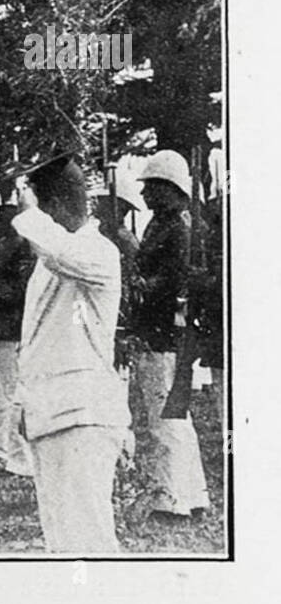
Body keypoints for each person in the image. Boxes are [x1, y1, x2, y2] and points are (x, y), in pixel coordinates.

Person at [12, 154, 128, 553]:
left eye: (43, 210)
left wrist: (29, 214)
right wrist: (21, 405)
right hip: (51, 413)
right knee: (62, 538)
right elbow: (38, 342)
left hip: (84, 416)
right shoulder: (51, 260)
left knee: (89, 539)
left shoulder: (98, 252)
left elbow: (59, 251)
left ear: (55, 207)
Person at [129, 150, 210, 520]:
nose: (144, 195)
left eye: (151, 188)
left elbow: (173, 279)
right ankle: (190, 495)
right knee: (171, 418)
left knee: (166, 418)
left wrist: (139, 286)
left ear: (170, 188)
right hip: (158, 329)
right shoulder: (163, 224)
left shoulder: (178, 227)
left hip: (164, 331)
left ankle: (174, 499)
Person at [0, 185, 35, 477]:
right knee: (3, 391)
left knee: (15, 392)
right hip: (1, 325)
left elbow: (21, 290)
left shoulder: (22, 244)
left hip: (14, 325)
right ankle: (7, 448)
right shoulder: (4, 243)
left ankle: (21, 457)